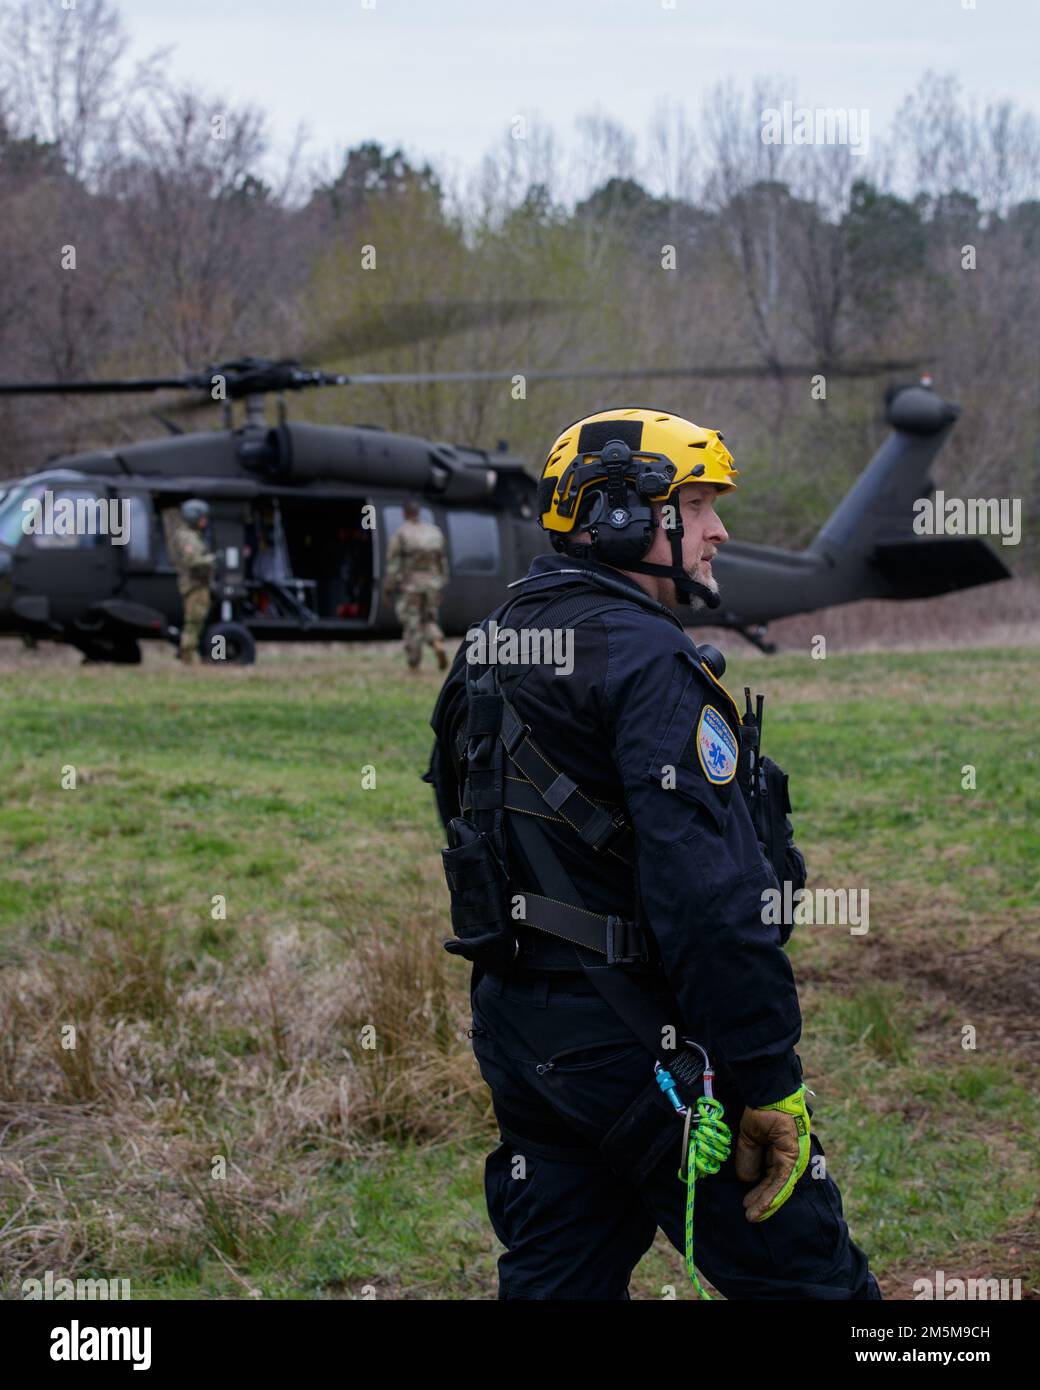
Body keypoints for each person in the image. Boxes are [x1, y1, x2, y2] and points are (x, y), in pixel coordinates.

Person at [426, 407, 881, 1300]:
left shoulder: (487, 646)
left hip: (522, 1042)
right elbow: (711, 907)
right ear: (629, 518)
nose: (719, 531)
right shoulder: (648, 660)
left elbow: (462, 818)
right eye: (699, 505)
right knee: (811, 1282)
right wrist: (770, 1082)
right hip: (649, 1055)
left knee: (558, 1282)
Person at [383, 501, 448, 671]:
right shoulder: (434, 532)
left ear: (405, 514)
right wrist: (441, 583)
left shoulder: (402, 533)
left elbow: (393, 565)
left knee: (413, 623)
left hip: (411, 586)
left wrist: (388, 588)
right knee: (429, 619)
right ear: (419, 512)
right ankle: (436, 642)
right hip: (433, 584)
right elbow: (442, 562)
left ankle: (414, 663)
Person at [163, 499, 215, 665]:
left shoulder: (189, 535)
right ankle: (188, 659)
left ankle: (189, 657)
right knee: (193, 622)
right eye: (202, 517)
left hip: (197, 585)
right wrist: (213, 560)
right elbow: (193, 561)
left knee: (196, 622)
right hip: (195, 585)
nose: (204, 521)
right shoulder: (187, 537)